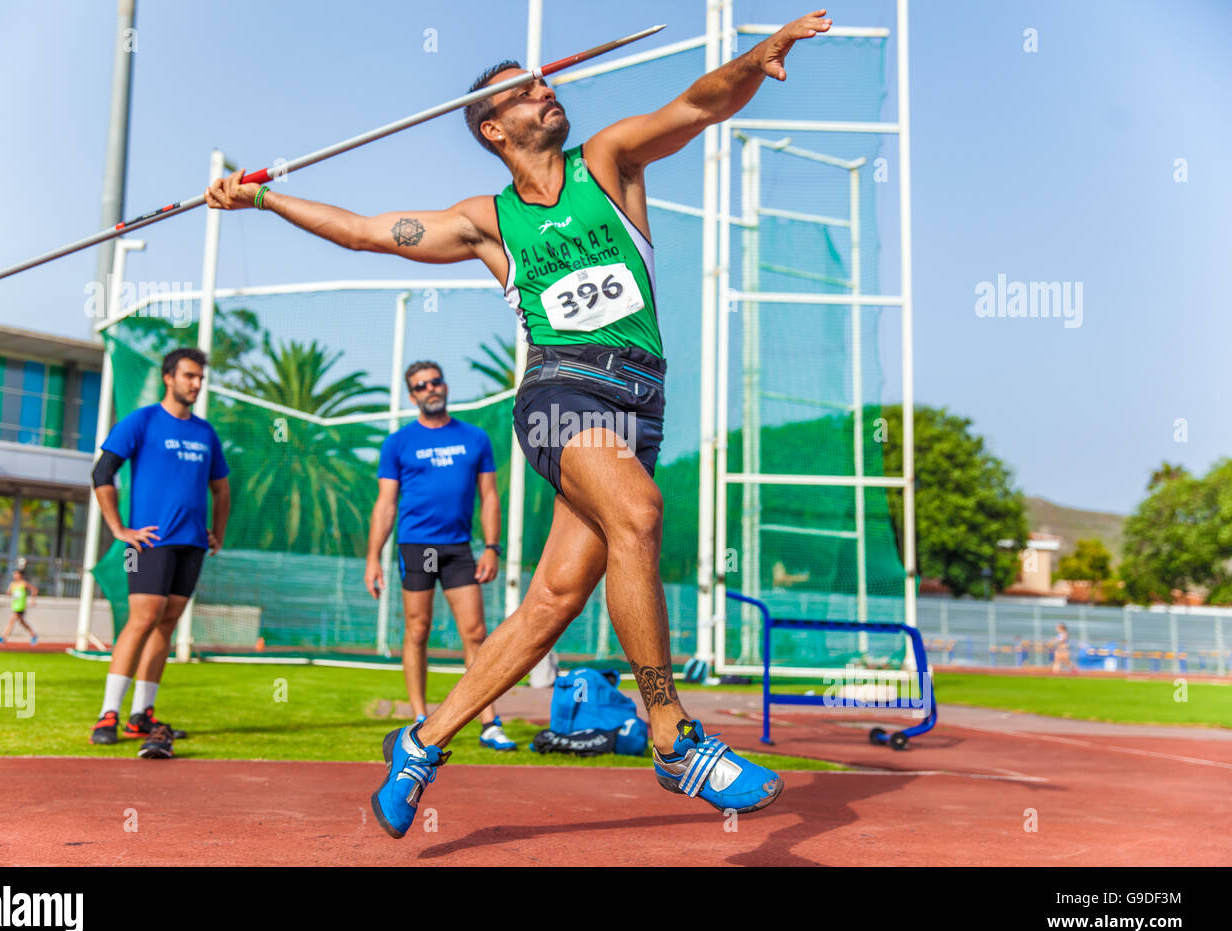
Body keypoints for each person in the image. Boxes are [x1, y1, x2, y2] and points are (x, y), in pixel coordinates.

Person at [205, 10, 832, 837]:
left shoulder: (607, 162)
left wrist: (755, 60)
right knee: (640, 513)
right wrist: (265, 198)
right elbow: (365, 233)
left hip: (640, 401)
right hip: (558, 394)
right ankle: (672, 733)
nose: (548, 90)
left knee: (552, 602)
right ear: (494, 127)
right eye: (527, 90)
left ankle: (421, 740)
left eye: (547, 81)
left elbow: (699, 103)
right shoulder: (487, 222)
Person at [87, 348, 231, 758]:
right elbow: (102, 472)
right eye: (189, 376)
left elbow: (221, 489)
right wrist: (118, 529)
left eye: (200, 377)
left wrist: (216, 533)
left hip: (192, 544)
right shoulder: (143, 420)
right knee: (143, 618)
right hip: (149, 541)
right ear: (169, 377)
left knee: (166, 624)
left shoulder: (205, 433)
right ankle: (108, 714)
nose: (196, 384)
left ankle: (141, 716)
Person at [365, 359, 514, 750]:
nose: (429, 389)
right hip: (417, 546)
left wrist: (493, 548)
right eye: (420, 386)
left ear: (445, 386)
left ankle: (489, 721)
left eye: (435, 381)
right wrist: (372, 558)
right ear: (411, 395)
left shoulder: (475, 438)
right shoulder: (398, 442)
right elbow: (384, 505)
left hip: (459, 548)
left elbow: (490, 497)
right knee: (417, 630)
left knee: (476, 634)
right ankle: (419, 716)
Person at [0, 567, 39, 645]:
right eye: (14, 574)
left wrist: (33, 600)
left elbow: (34, 589)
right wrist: (9, 593)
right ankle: (33, 635)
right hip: (15, 605)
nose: (14, 576)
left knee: (12, 620)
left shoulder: (24, 583)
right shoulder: (12, 584)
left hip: (21, 605)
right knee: (22, 622)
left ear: (20, 575)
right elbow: (9, 592)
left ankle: (4, 638)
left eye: (16, 574)